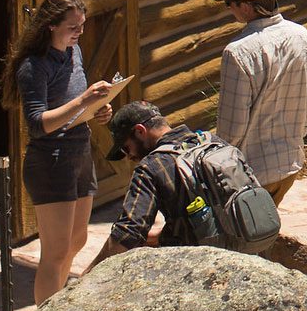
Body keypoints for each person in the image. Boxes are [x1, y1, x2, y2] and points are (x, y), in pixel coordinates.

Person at [2, 0, 123, 303]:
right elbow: (38, 123)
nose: (79, 33)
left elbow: (74, 108)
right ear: (51, 26)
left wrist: (98, 110)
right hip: (51, 160)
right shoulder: (34, 66)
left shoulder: (74, 52)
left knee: (77, 240)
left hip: (79, 153)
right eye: (73, 27)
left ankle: (58, 305)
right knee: (54, 251)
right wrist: (83, 100)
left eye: (82, 26)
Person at [91, 102, 274, 265]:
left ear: (140, 131)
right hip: (249, 252)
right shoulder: (214, 142)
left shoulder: (151, 167)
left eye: (126, 148)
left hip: (198, 265)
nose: (129, 157)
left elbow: (128, 233)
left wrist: (88, 276)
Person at [213, 0, 307, 203]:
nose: (228, 9)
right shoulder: (302, 36)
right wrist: (291, 138)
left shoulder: (237, 52)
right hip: (289, 165)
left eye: (230, 3)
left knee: (237, 238)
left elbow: (232, 128)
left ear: (246, 7)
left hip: (251, 175)